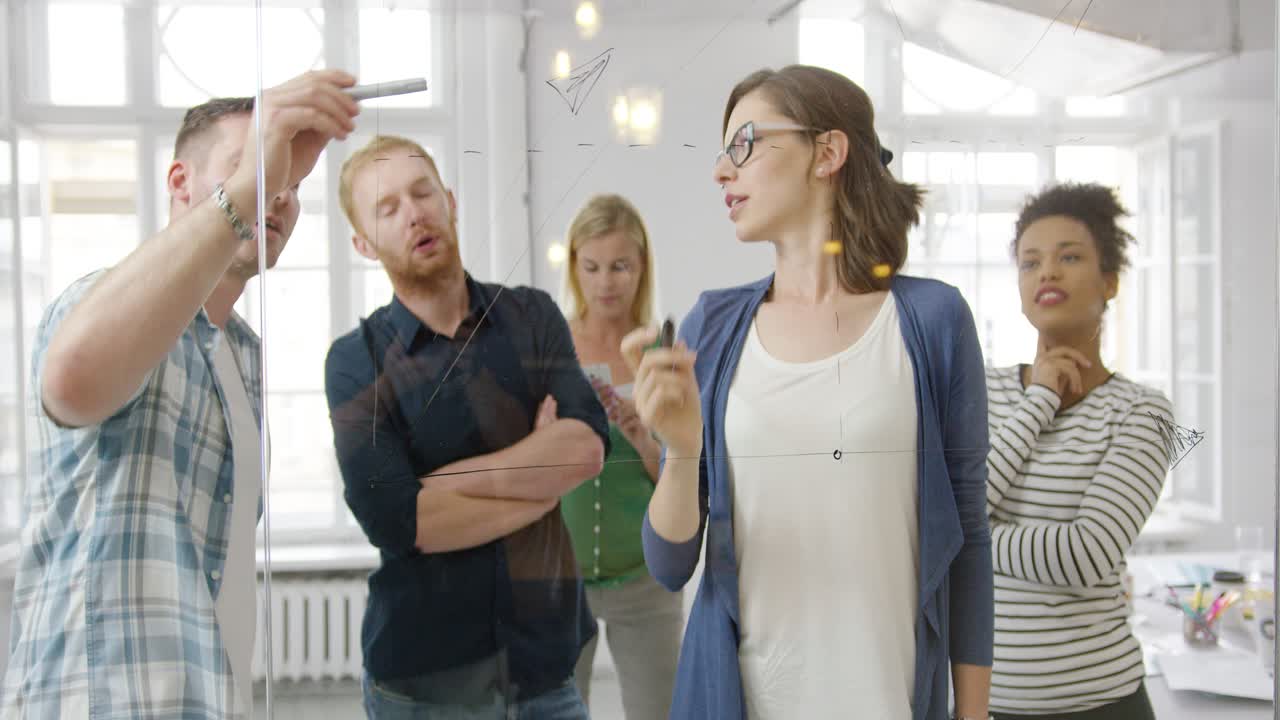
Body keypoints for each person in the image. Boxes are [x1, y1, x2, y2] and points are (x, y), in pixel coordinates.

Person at [622, 64, 994, 720]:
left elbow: (967, 539)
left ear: (827, 152)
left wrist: (973, 713)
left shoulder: (933, 321)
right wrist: (681, 451)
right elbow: (670, 567)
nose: (721, 171)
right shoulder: (714, 325)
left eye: (744, 144)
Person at [0, 70, 360, 719]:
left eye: (289, 183)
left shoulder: (244, 355)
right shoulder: (104, 301)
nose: (277, 193)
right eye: (252, 168)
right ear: (180, 182)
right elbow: (72, 380)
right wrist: (245, 193)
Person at [325, 134, 610, 719]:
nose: (414, 214)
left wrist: (442, 486)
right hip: (426, 685)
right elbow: (400, 521)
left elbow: (585, 448)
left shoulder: (532, 315)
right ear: (363, 243)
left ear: (450, 201)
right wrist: (540, 476)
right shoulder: (356, 360)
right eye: (387, 208)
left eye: (422, 192)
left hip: (547, 670)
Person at [985, 183, 1173, 720]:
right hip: (983, 703)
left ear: (1110, 281)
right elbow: (938, 520)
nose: (1047, 272)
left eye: (1069, 257)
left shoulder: (1145, 411)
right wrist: (1039, 400)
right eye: (1030, 262)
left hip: (1104, 703)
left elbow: (1086, 556)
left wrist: (966, 534)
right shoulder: (977, 390)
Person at [558, 194, 681, 719]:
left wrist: (641, 437)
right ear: (574, 267)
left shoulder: (664, 353)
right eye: (592, 267)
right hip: (560, 578)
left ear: (642, 266)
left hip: (645, 576)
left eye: (620, 266)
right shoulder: (552, 346)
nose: (605, 282)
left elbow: (680, 479)